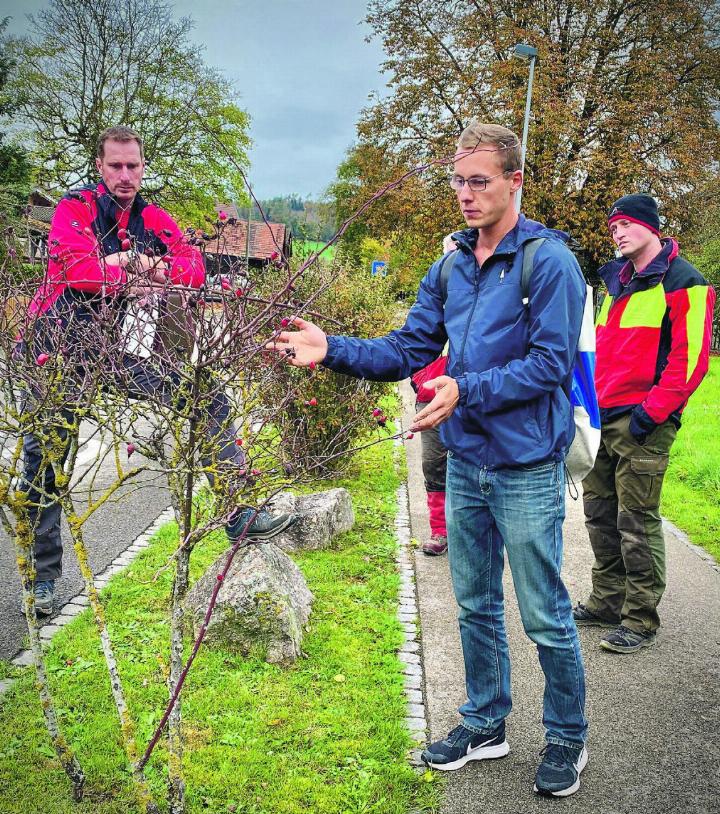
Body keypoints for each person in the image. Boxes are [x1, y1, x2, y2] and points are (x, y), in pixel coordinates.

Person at [268, 122, 589, 797]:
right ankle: (486, 723)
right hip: (468, 462)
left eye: (480, 181)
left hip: (528, 466)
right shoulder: (448, 267)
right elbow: (406, 348)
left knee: (542, 613)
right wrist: (336, 350)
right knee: (473, 605)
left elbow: (552, 365)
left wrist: (465, 388)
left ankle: (566, 736)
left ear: (515, 182)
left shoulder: (549, 262)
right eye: (458, 181)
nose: (465, 195)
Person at [20, 126, 295, 617]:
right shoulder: (75, 208)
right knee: (44, 469)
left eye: (133, 166)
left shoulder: (152, 216)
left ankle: (237, 509)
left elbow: (194, 268)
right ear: (100, 167)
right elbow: (76, 271)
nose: (125, 175)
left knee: (201, 390)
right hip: (55, 351)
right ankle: (42, 579)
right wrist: (130, 263)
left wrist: (147, 266)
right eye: (115, 166)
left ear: (143, 167)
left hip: (113, 351)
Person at [573, 194, 715, 653]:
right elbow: (602, 351)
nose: (617, 233)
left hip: (643, 421)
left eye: (627, 224)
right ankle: (607, 602)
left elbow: (690, 363)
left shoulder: (684, 280)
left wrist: (650, 416)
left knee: (636, 520)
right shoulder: (616, 281)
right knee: (599, 515)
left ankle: (640, 620)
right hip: (603, 415)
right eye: (613, 226)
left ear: (652, 227)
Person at [411, 356, 448, 555]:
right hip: (429, 398)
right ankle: (440, 531)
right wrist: (419, 379)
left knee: (475, 463)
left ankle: (474, 532)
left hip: (473, 393)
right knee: (433, 464)